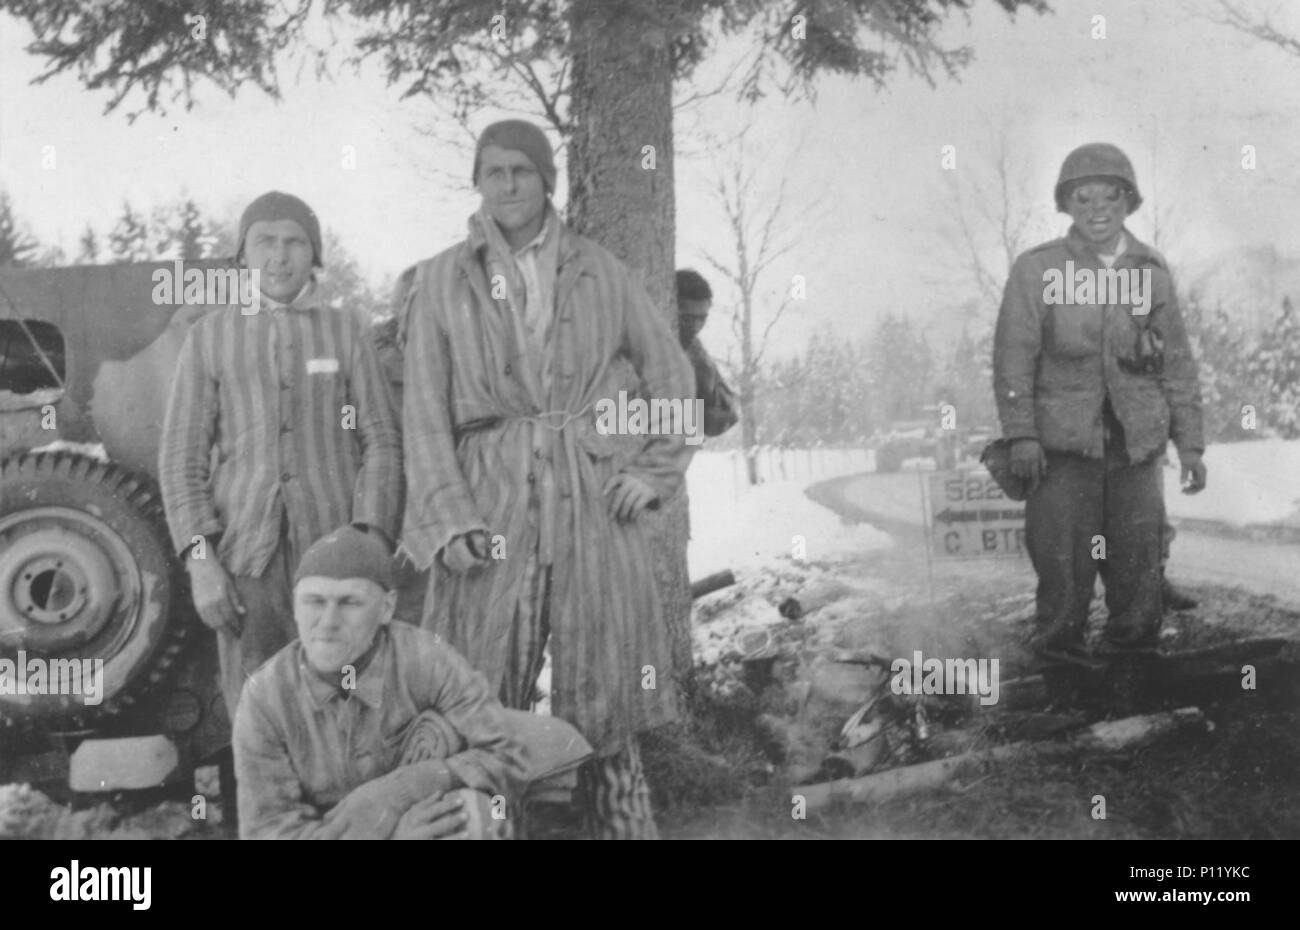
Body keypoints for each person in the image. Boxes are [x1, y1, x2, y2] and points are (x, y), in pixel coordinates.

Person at [397, 119, 696, 839]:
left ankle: (619, 824)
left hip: (592, 498)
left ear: (547, 182)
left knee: (607, 682)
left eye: (522, 172)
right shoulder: (441, 278)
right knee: (478, 685)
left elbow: (672, 377)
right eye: (494, 171)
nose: (508, 185)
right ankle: (486, 827)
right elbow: (423, 413)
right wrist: (448, 519)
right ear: (478, 182)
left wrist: (653, 471)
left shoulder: (599, 269)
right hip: (489, 502)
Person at [159, 191, 402, 719]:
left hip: (337, 555)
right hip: (246, 560)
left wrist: (372, 540)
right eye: (264, 241)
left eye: (294, 242)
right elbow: (182, 458)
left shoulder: (345, 331)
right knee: (259, 713)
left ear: (313, 255)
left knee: (349, 709)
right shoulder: (209, 337)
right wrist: (201, 563)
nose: (279, 255)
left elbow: (381, 440)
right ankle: (265, 805)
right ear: (242, 254)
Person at [992, 143, 1206, 663]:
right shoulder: (1038, 269)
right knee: (1062, 560)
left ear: (1128, 202)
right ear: (1066, 205)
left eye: (1110, 196)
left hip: (1136, 444)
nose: (1097, 209)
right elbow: (1013, 359)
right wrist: (1022, 434)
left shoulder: (1151, 271)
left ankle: (1133, 666)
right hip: (1063, 445)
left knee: (1137, 558)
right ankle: (1060, 671)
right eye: (1082, 198)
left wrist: (1192, 446)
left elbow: (1176, 362)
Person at [232, 525, 527, 839]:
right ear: (294, 606)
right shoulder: (265, 697)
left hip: (416, 819)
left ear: (386, 608)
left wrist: (402, 789)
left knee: (472, 817)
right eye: (314, 602)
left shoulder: (428, 659)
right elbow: (267, 831)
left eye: (349, 603)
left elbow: (510, 757)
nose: (329, 622)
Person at [675, 269, 739, 437]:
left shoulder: (696, 351)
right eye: (688, 318)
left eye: (702, 319)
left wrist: (708, 391)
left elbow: (726, 417)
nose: (696, 327)